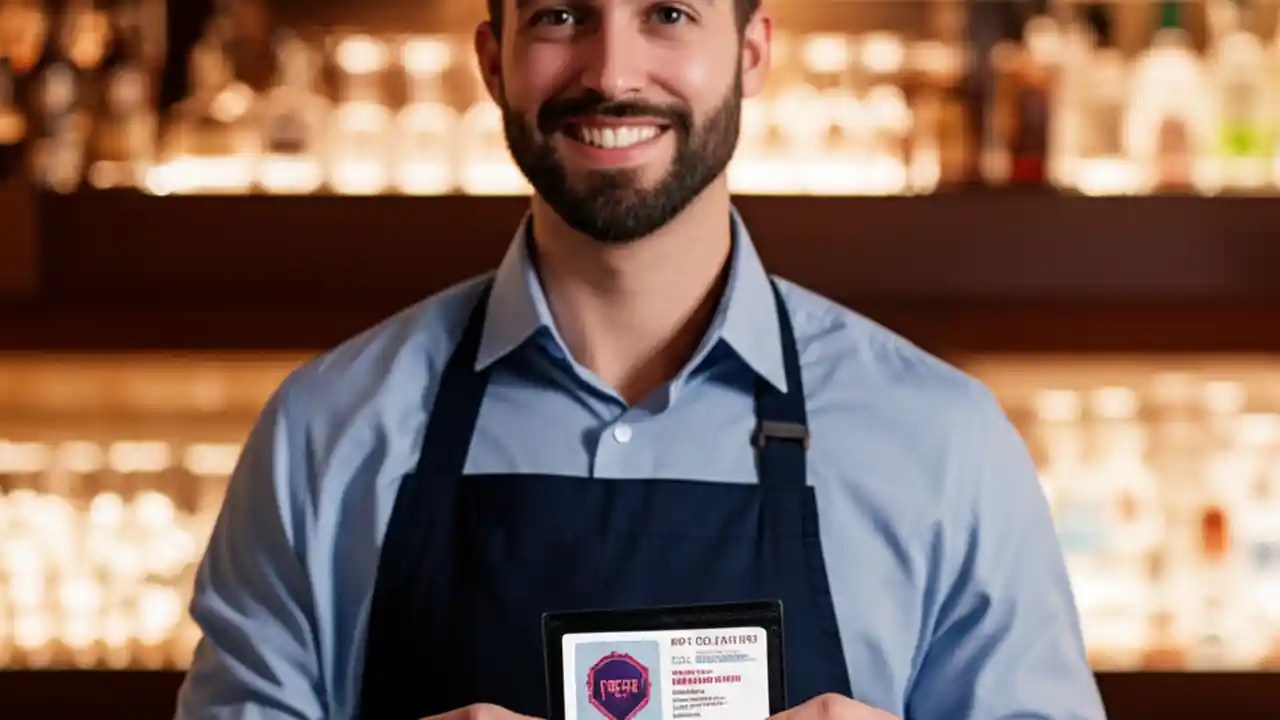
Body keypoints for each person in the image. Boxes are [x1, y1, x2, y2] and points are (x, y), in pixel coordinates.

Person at [175, 0, 1107, 718]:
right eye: (560, 17)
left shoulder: (944, 442)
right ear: (494, 61)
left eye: (668, 13)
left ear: (751, 53)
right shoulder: (323, 434)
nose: (612, 73)